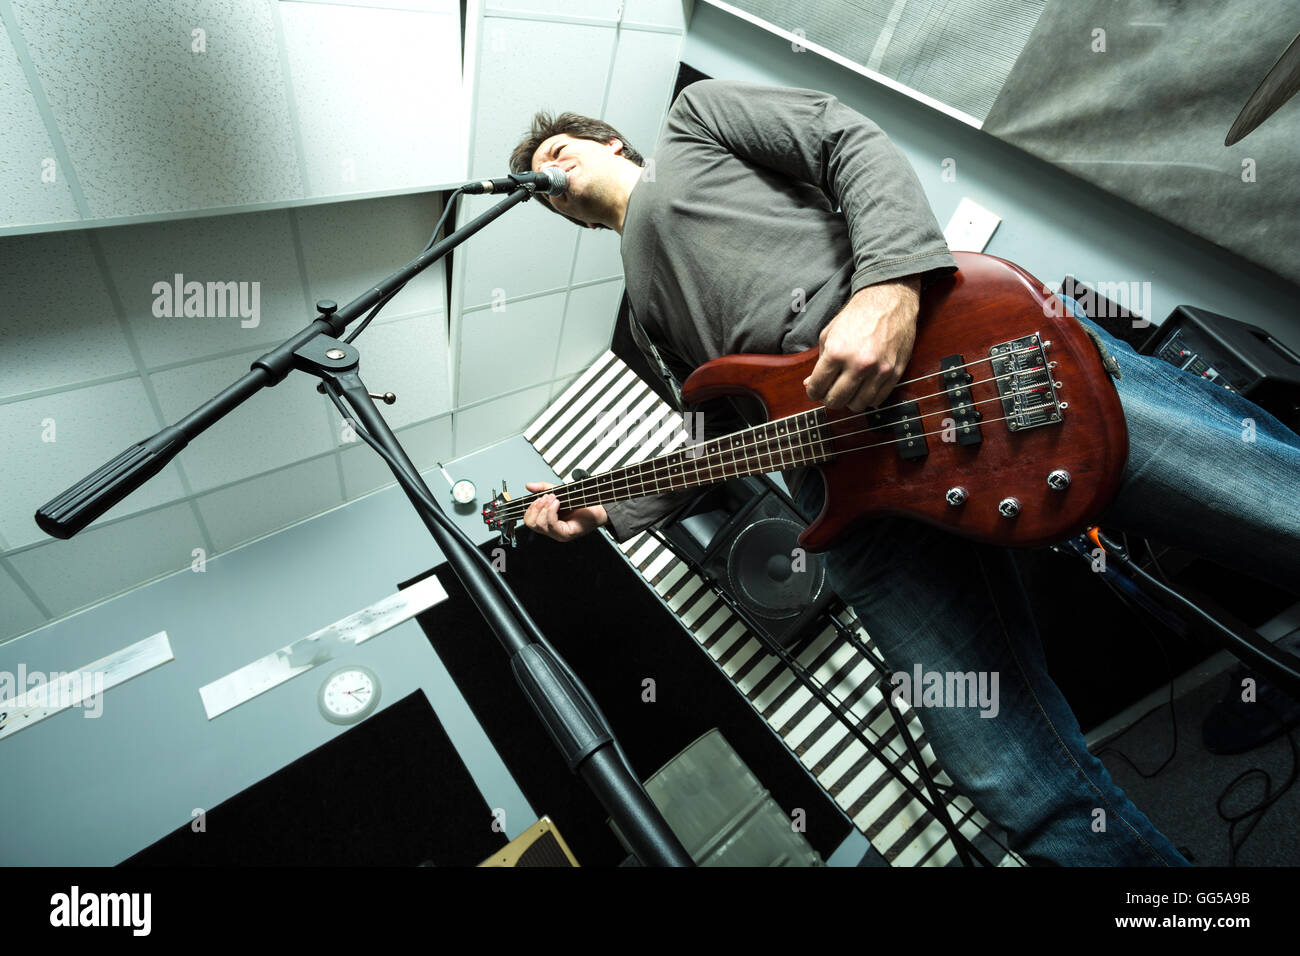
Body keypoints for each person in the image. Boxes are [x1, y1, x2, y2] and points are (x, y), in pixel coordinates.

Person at [506, 78, 1300, 865]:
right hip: (855, 493)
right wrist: (603, 506)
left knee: (1275, 508)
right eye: (544, 191)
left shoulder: (691, 122)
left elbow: (842, 137)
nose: (553, 180)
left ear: (609, 141)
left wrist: (887, 290)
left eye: (557, 153)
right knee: (1007, 774)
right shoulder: (642, 311)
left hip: (953, 357)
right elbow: (717, 439)